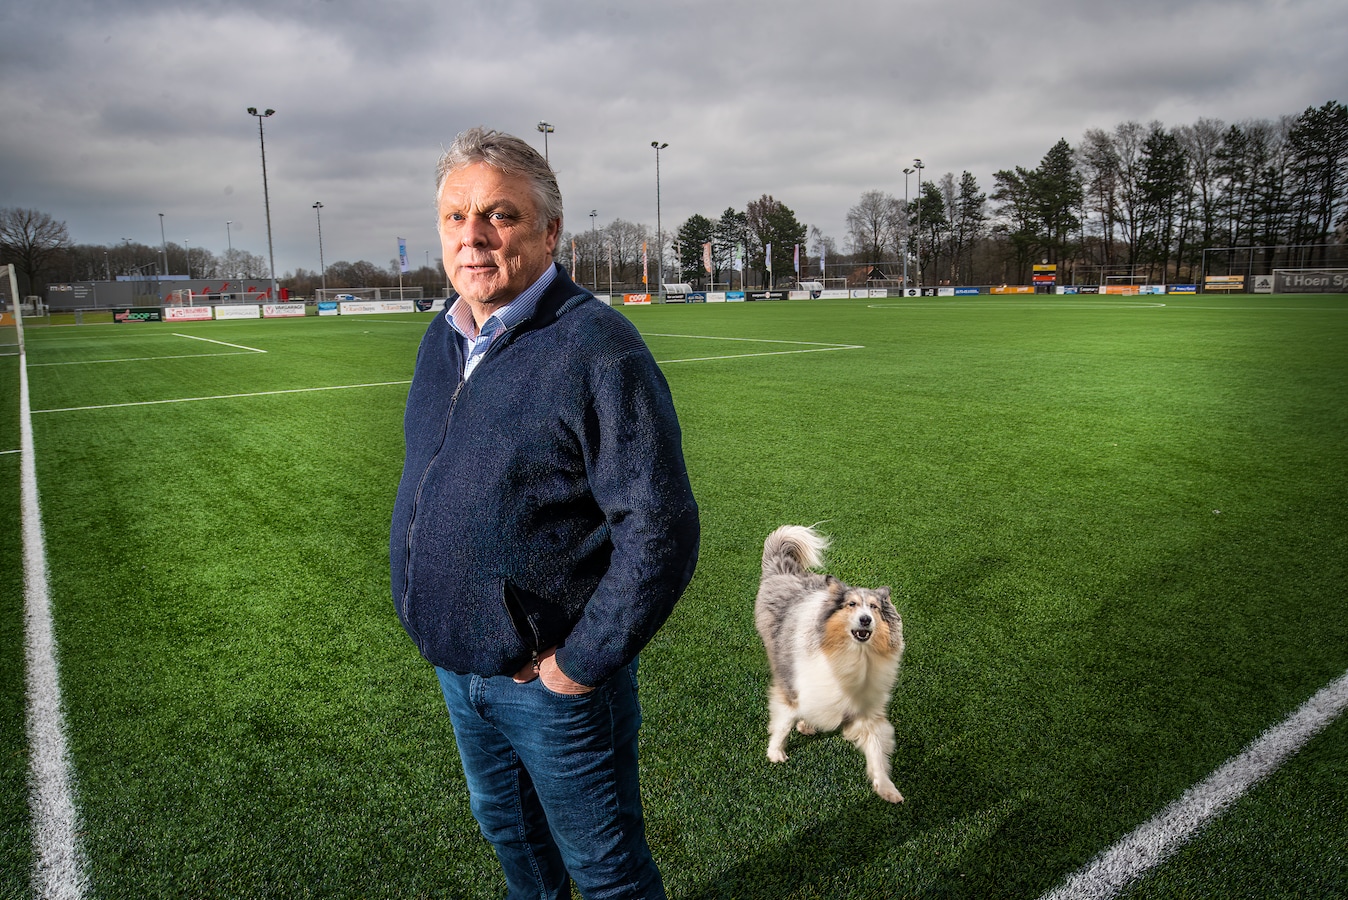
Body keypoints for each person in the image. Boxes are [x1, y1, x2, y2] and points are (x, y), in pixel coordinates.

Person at [389, 127, 700, 900]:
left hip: (550, 685)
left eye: (500, 215)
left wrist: (579, 665)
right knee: (516, 845)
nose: (473, 236)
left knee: (606, 871)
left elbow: (660, 527)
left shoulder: (597, 346)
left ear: (549, 231)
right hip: (461, 670)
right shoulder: (443, 336)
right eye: (455, 216)